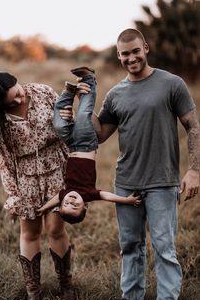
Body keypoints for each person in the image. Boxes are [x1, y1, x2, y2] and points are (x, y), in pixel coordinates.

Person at [72, 29, 200, 300]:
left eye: (135, 51)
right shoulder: (116, 94)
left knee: (165, 248)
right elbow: (100, 134)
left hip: (162, 181)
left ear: (146, 48)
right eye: (124, 54)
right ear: (118, 56)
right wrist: (85, 103)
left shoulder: (171, 84)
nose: (131, 58)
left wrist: (193, 170)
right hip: (126, 181)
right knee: (130, 246)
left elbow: (193, 126)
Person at [0, 71, 78, 300]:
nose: (20, 100)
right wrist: (14, 193)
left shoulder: (42, 92)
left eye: (19, 93)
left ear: (19, 83)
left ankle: (65, 284)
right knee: (30, 231)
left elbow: (67, 123)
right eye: (12, 101)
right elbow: (5, 161)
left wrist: (69, 116)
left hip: (56, 167)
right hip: (26, 177)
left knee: (55, 228)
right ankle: (33, 291)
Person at [36, 66, 142, 222]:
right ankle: (89, 80)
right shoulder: (88, 193)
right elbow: (106, 196)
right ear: (84, 205)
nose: (70, 201)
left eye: (66, 204)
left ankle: (68, 92)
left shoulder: (65, 193)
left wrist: (43, 208)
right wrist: (126, 200)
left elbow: (55, 201)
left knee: (58, 125)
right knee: (83, 114)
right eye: (75, 205)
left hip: (71, 145)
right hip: (86, 143)